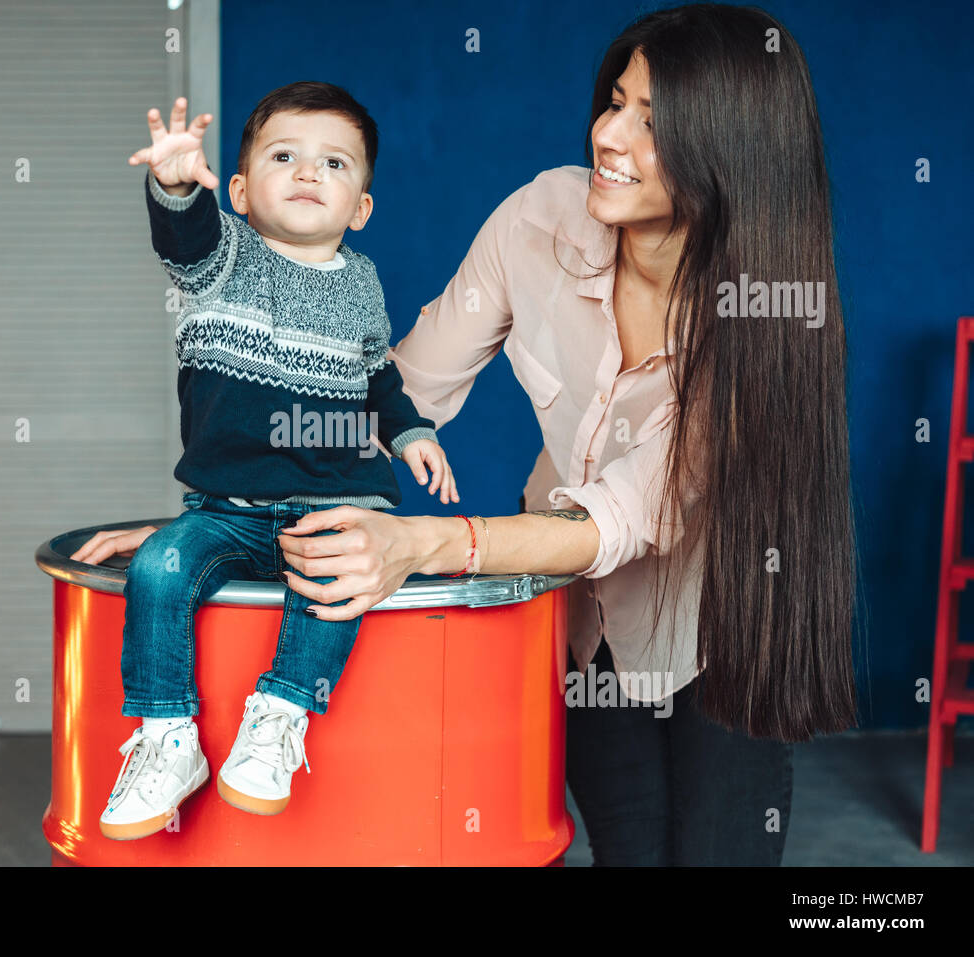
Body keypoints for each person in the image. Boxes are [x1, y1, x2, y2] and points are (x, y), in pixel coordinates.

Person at [81, 3, 862, 864]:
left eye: (653, 122)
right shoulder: (541, 218)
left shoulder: (758, 325)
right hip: (582, 625)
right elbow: (401, 389)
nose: (609, 134)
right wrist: (230, 517)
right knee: (628, 849)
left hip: (722, 632)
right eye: (616, 101)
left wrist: (420, 542)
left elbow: (621, 519)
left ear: (733, 154)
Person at [72, 82, 459, 841]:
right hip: (227, 510)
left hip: (336, 502)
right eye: (286, 157)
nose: (309, 173)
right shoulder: (223, 258)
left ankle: (280, 716)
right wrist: (176, 184)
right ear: (243, 191)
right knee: (160, 567)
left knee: (334, 579)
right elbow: (180, 236)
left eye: (335, 164)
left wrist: (412, 432)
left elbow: (377, 374)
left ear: (361, 208)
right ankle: (165, 733)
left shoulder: (364, 283)